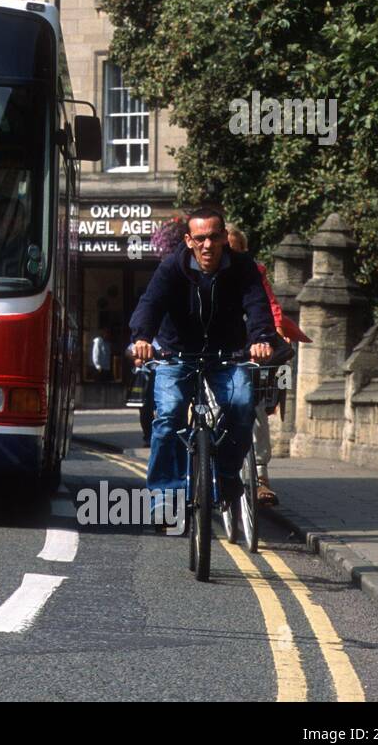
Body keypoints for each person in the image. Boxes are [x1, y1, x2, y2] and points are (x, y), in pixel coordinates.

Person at [129, 206, 281, 530]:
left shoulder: (243, 268)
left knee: (241, 405)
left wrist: (262, 339)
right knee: (169, 415)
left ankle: (226, 477)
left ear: (225, 238)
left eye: (214, 237)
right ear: (188, 240)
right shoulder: (172, 268)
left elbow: (257, 306)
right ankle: (164, 497)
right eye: (200, 238)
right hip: (177, 354)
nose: (207, 245)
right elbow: (150, 303)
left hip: (228, 355)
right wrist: (142, 337)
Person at [226, 226, 311, 506]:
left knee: (254, 405)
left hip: (250, 344)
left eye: (236, 248)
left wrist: (274, 330)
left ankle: (260, 475)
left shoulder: (253, 272)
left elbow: (268, 304)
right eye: (226, 247)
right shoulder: (202, 273)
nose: (229, 253)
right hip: (216, 348)